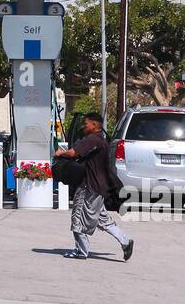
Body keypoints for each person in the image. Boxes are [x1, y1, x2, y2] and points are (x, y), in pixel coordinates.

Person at [55, 112, 132, 261]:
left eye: (86, 124)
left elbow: (73, 153)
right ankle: (126, 241)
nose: (84, 127)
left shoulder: (91, 139)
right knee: (102, 219)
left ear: (94, 125)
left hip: (88, 186)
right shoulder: (101, 141)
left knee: (78, 217)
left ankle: (81, 251)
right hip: (99, 187)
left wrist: (60, 153)